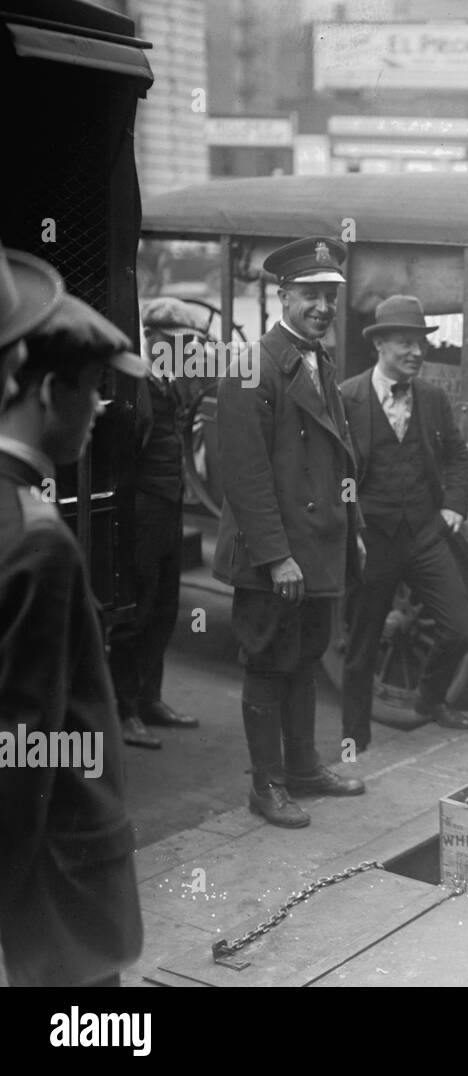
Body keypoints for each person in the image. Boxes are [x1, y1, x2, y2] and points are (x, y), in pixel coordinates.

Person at [0, 243, 146, 986]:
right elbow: (22, 753)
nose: (101, 407)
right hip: (59, 894)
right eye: (93, 387)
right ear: (48, 391)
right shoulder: (36, 541)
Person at [213, 235, 366, 829]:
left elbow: (338, 461)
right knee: (267, 661)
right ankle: (266, 785)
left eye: (329, 296)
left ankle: (303, 768)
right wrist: (277, 557)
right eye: (310, 295)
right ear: (282, 296)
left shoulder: (320, 361)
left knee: (304, 657)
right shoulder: (255, 366)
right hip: (273, 551)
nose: (323, 307)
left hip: (316, 546)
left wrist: (350, 530)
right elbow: (246, 478)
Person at [340, 295, 468, 750]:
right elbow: (332, 471)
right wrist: (350, 527)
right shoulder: (348, 398)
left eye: (420, 343)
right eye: (406, 343)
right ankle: (354, 738)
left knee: (461, 627)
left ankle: (429, 698)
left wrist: (454, 505)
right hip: (371, 539)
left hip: (422, 534)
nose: (417, 352)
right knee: (361, 644)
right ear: (380, 345)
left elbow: (456, 455)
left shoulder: (433, 399)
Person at [107, 297, 207, 751]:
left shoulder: (173, 382)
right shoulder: (137, 384)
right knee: (137, 609)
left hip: (169, 506)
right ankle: (124, 710)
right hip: (143, 508)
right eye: (181, 343)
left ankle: (150, 699)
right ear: (157, 339)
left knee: (165, 606)